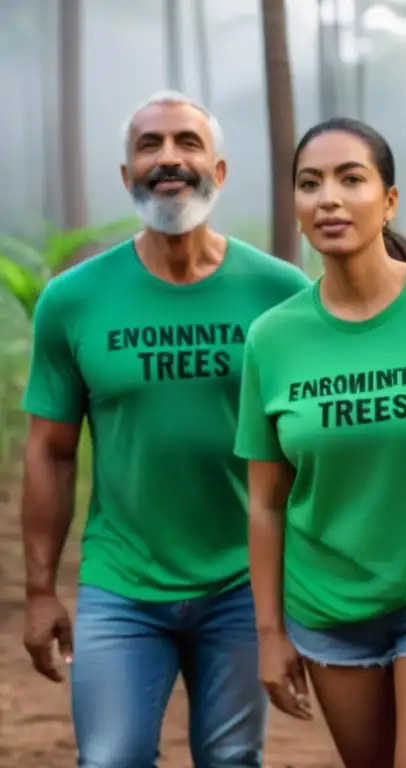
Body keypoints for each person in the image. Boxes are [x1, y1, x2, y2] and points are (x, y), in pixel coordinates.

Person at [20, 90, 311, 767]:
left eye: (187, 142)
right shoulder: (74, 301)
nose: (169, 158)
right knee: (110, 758)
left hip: (245, 582)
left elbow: (312, 447)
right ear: (127, 176)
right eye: (149, 145)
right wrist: (39, 591)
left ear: (220, 169)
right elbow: (50, 453)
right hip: (123, 582)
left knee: (231, 760)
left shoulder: (282, 292)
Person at [235, 116, 406, 768]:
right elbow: (265, 504)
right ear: (297, 208)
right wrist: (271, 633)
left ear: (389, 200)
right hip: (329, 610)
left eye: (350, 178)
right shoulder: (272, 339)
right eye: (310, 184)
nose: (328, 198)